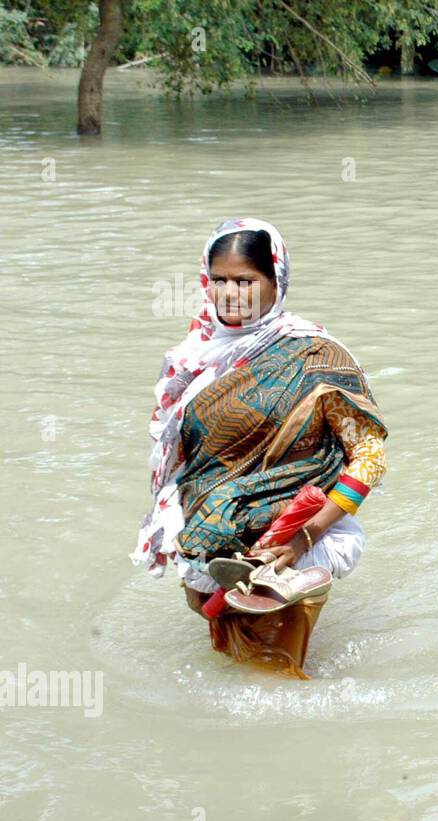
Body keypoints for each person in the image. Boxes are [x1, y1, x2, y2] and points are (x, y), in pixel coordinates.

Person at [131, 218, 388, 678]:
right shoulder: (196, 357)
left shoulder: (316, 355)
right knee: (231, 658)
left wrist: (302, 537)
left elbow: (370, 457)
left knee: (272, 674)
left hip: (289, 547)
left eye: (246, 281)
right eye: (219, 281)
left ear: (276, 282)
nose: (231, 294)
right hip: (213, 544)